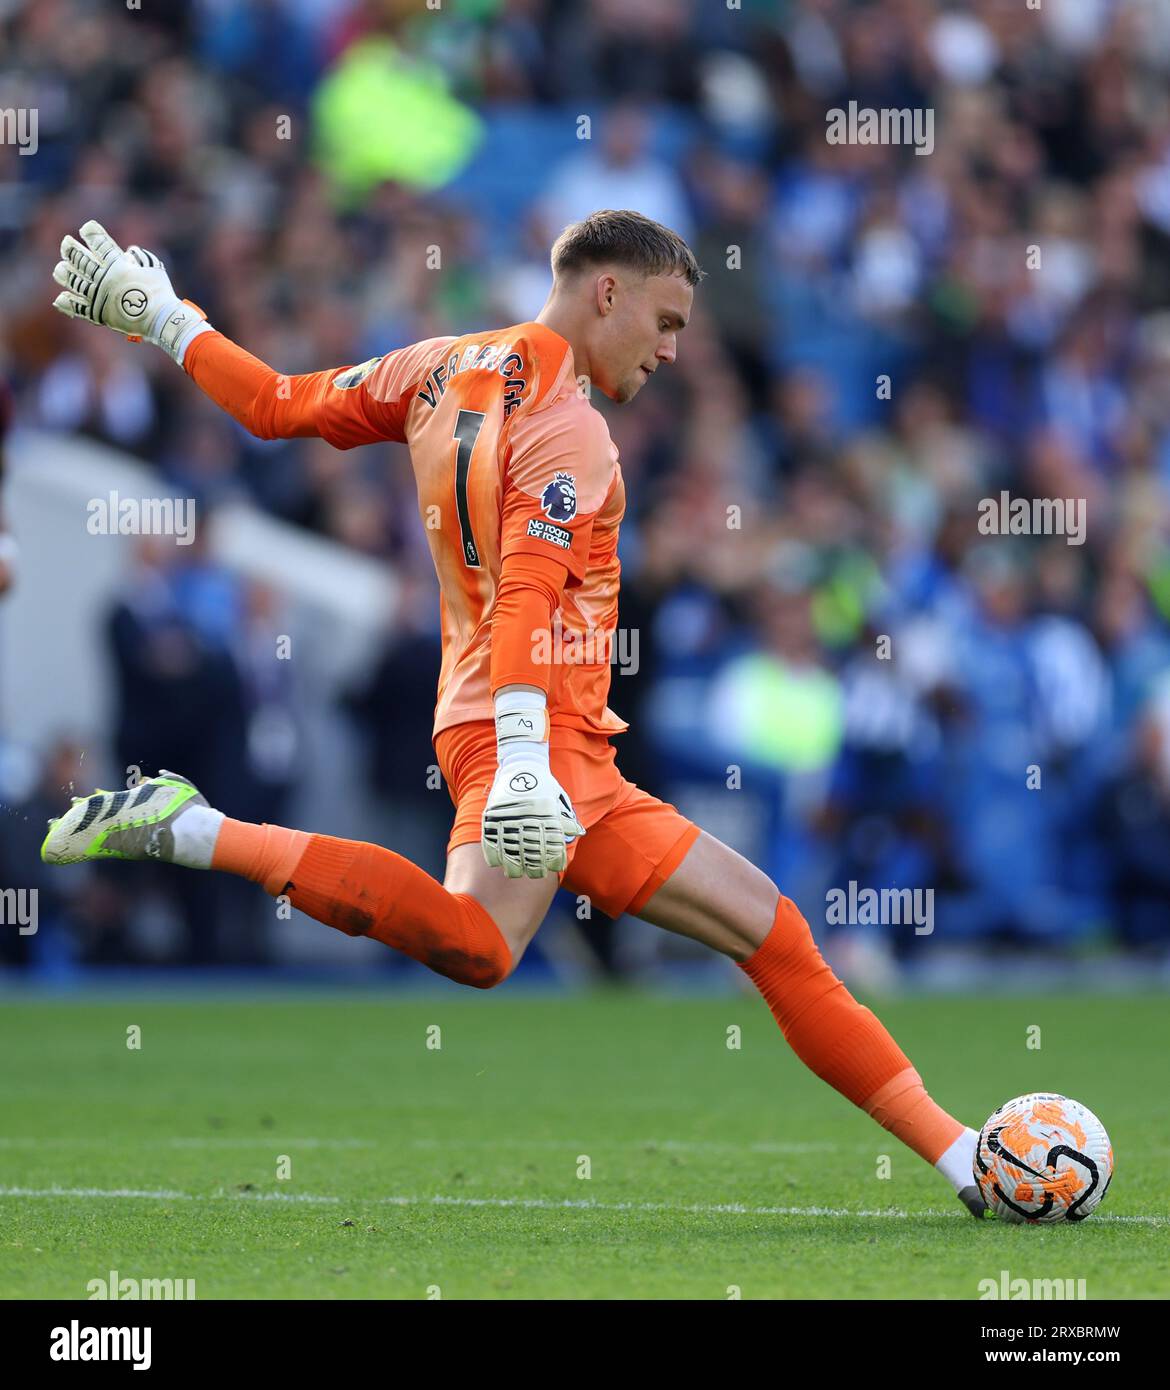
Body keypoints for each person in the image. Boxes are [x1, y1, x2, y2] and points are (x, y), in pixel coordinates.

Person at [42, 210, 987, 1216]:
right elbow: (532, 590)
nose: (672, 351)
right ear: (606, 293)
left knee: (540, 942)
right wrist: (532, 757)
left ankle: (962, 1156)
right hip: (531, 726)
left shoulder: (438, 365)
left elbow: (279, 404)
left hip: (511, 725)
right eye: (665, 321)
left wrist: (165, 318)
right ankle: (198, 829)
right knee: (745, 936)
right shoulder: (573, 428)